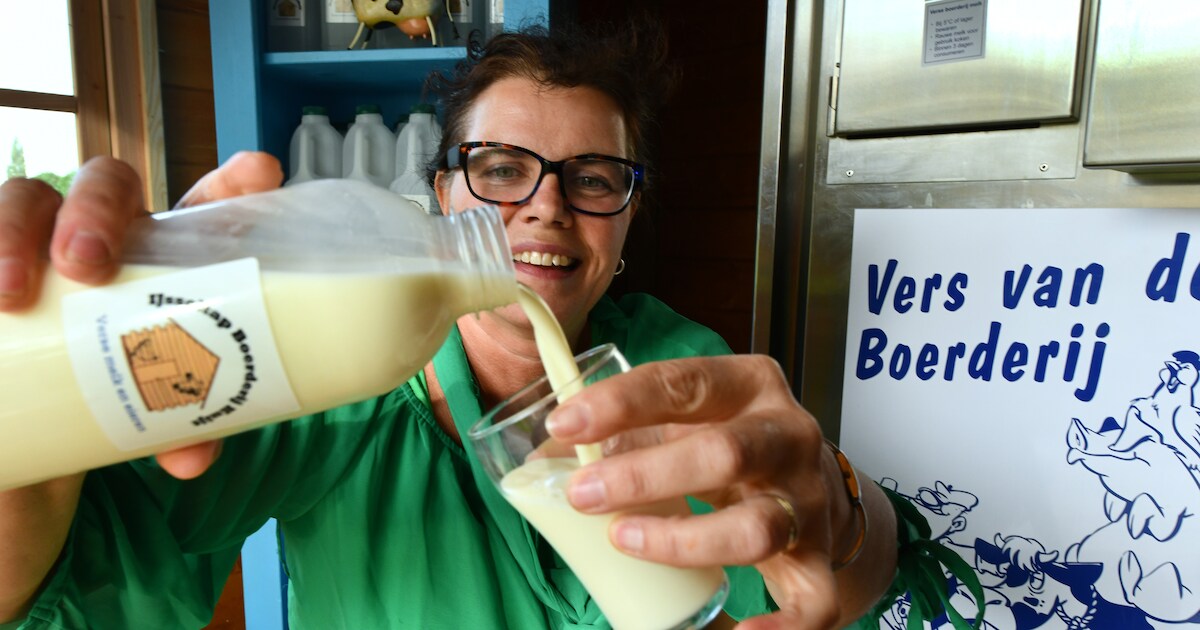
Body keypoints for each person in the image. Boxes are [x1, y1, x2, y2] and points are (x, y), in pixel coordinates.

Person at [0, 22, 904, 629]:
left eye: (592, 179)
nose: (545, 206)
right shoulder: (329, 385)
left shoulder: (680, 369)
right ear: (443, 196)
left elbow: (828, 574)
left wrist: (849, 523)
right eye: (502, 167)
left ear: (627, 220)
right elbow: (97, 575)